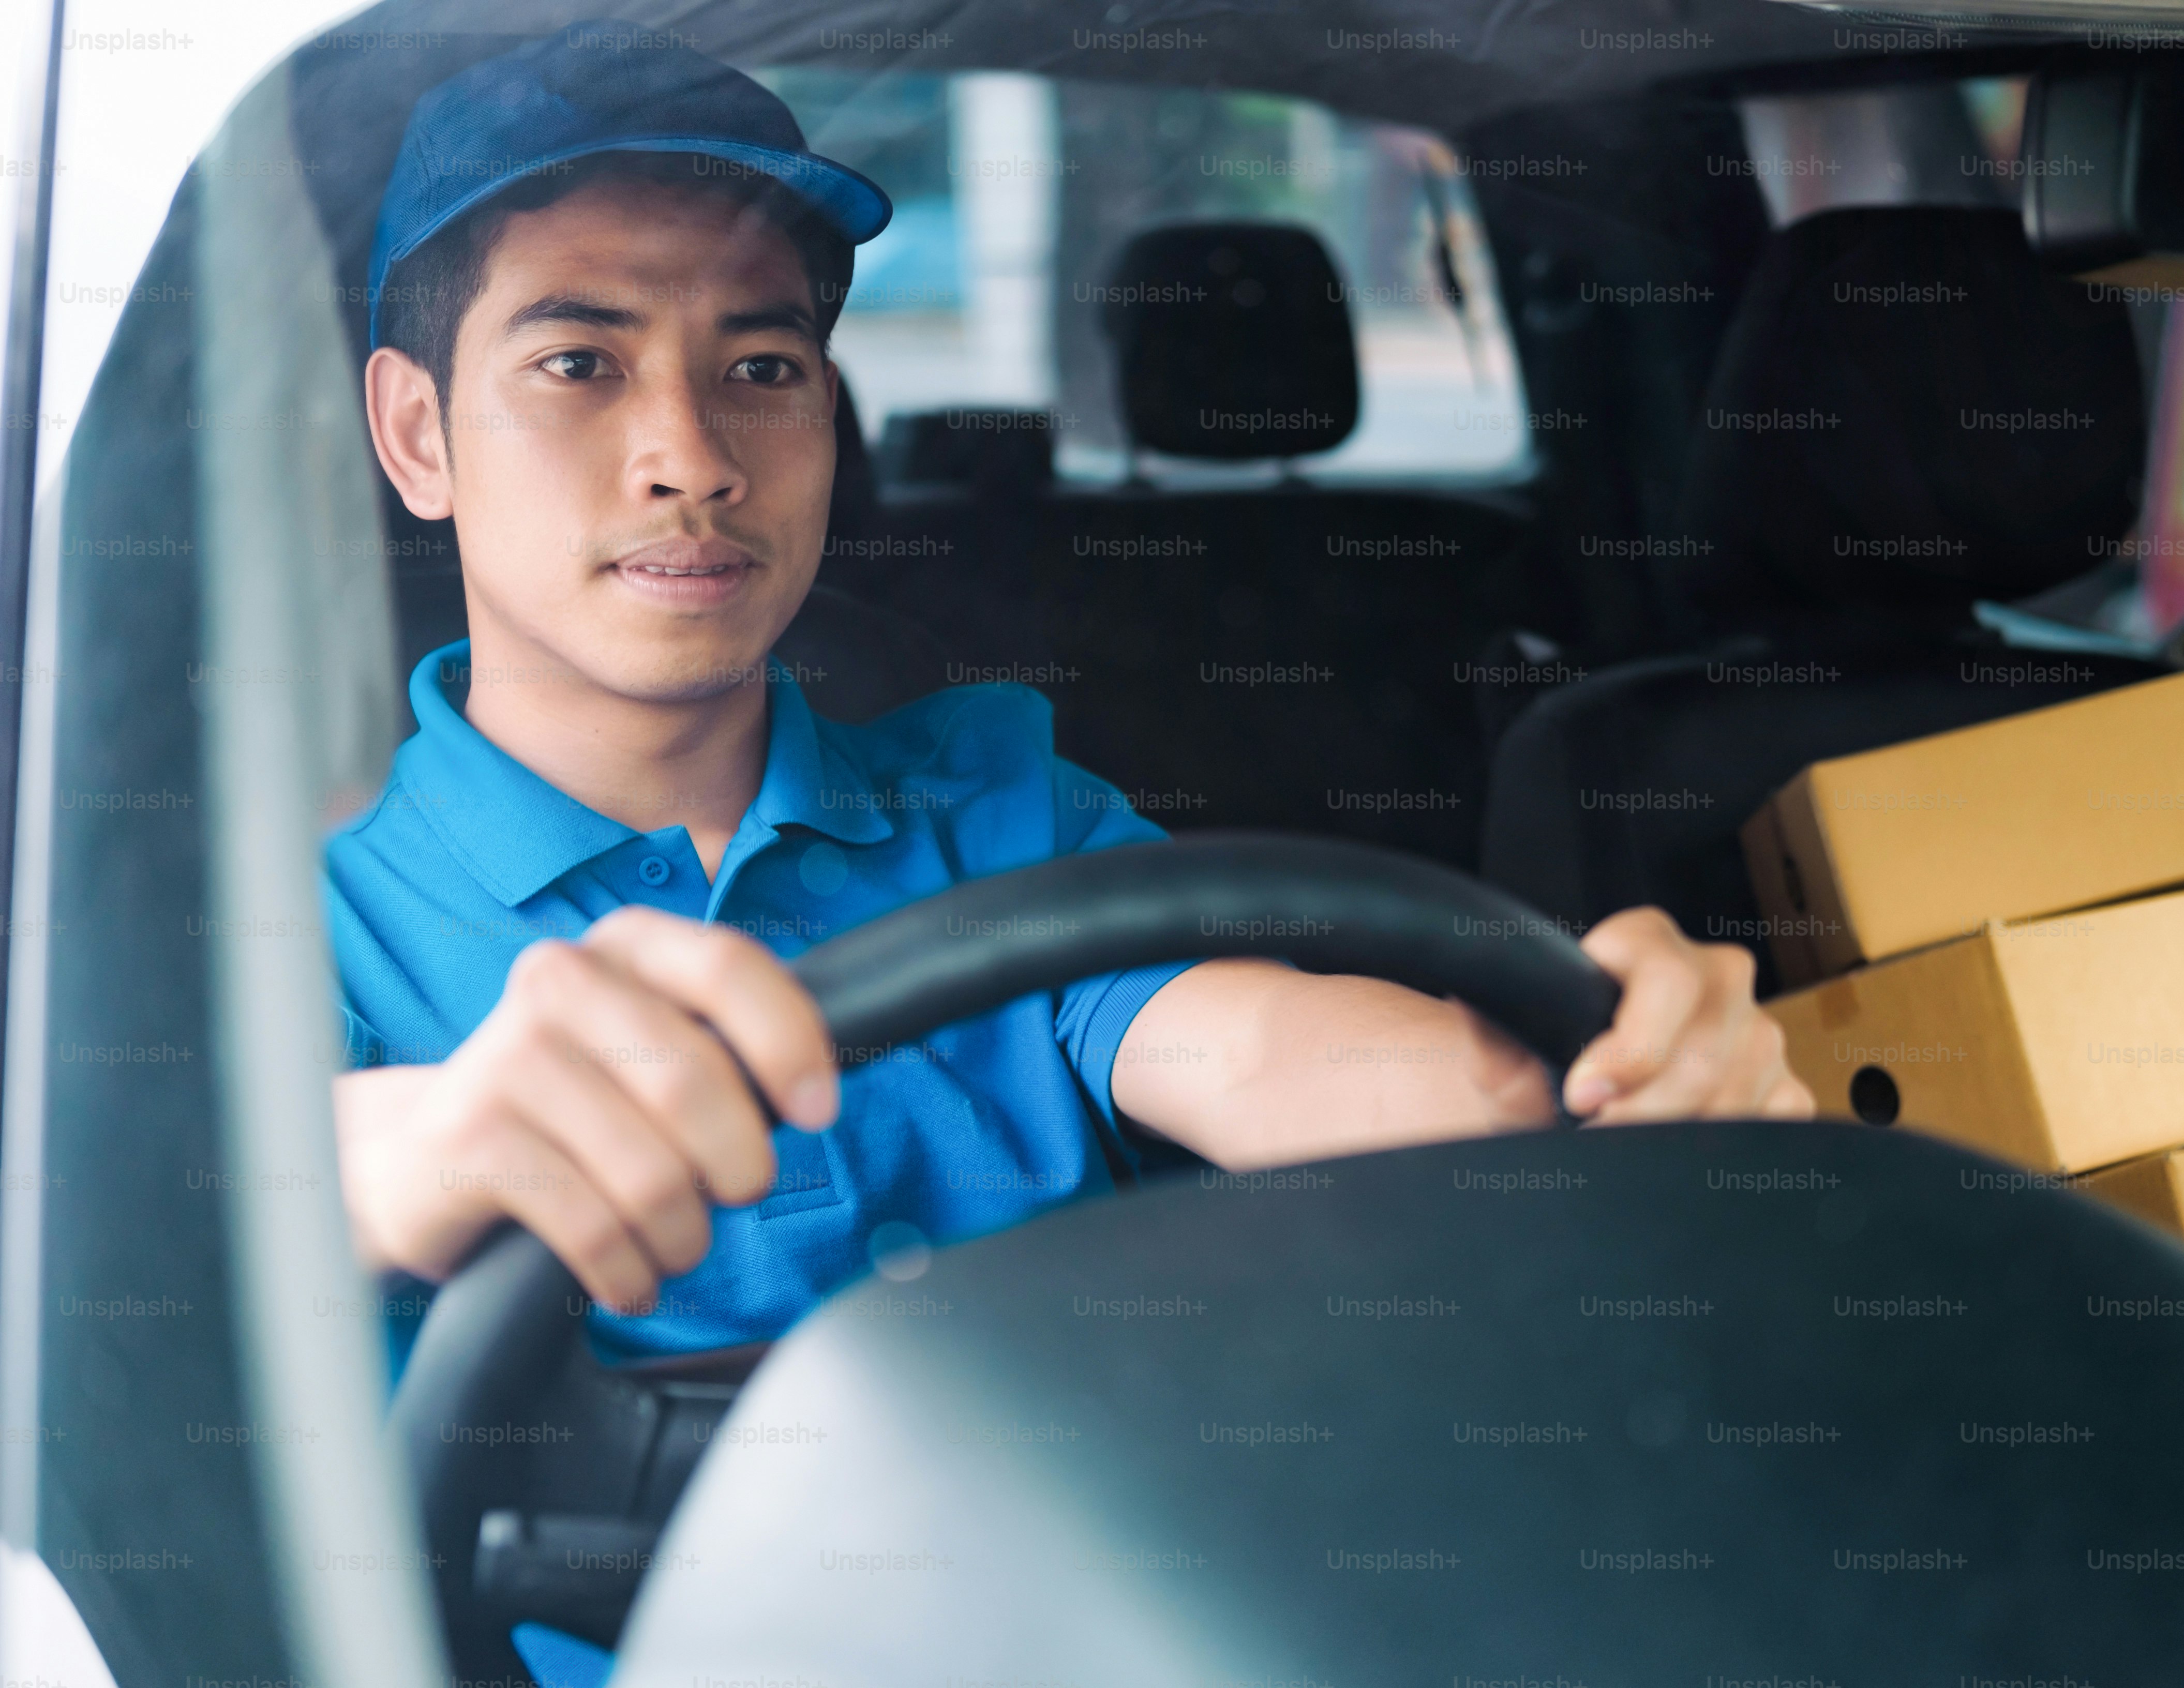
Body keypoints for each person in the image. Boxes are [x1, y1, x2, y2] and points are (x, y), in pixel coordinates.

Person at [327, 25, 1811, 1361]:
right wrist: (393, 1161)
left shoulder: (995, 798)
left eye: (763, 367)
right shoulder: (312, 940)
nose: (693, 457)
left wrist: (1593, 1068)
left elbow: (1255, 1048)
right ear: (417, 436)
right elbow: (201, 1225)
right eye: (581, 362)